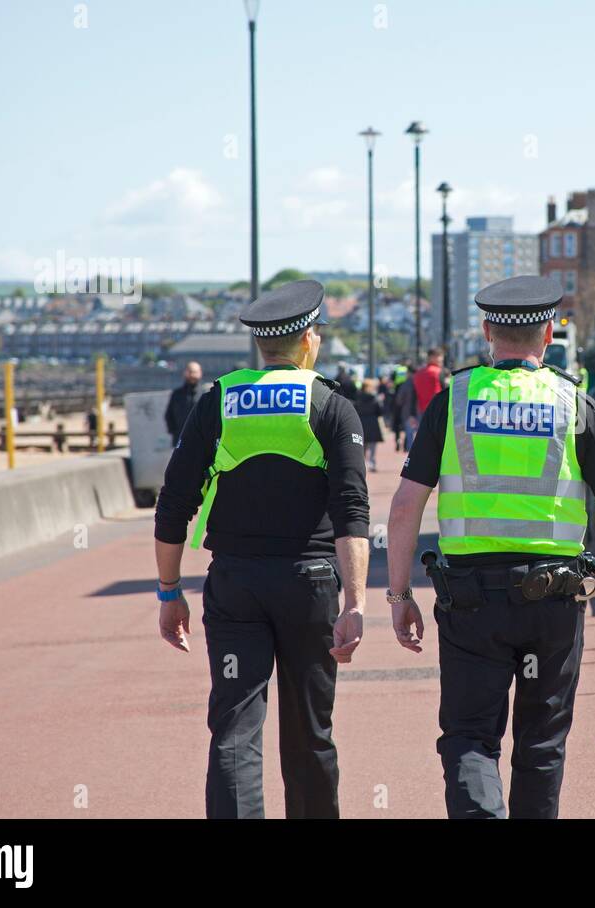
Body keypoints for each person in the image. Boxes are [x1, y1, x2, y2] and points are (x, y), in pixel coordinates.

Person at [385, 274, 595, 819]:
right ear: (550, 333)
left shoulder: (452, 400)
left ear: (488, 332)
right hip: (551, 602)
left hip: (470, 603)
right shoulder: (575, 403)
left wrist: (398, 595)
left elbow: (403, 506)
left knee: (469, 737)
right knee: (540, 744)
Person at [153, 280, 370, 818]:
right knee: (310, 733)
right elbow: (352, 512)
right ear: (307, 340)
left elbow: (173, 504)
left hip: (235, 585)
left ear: (261, 344)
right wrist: (356, 604)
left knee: (234, 728)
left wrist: (169, 590)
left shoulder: (218, 401)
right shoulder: (331, 404)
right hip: (311, 583)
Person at [164, 361, 205, 442]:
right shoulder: (177, 394)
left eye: (195, 372)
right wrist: (175, 433)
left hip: (201, 440)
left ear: (200, 373)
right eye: (190, 372)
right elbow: (169, 415)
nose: (192, 375)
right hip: (180, 440)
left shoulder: (205, 394)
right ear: (185, 373)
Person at [354, 377, 385, 472]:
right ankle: (372, 463)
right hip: (372, 422)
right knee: (372, 446)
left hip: (361, 422)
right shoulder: (375, 398)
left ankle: (361, 464)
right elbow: (380, 411)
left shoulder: (358, 397)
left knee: (362, 445)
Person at [395, 364, 418, 451]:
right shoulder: (420, 381)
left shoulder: (406, 384)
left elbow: (399, 400)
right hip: (421, 411)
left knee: (409, 435)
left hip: (407, 412)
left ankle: (410, 457)